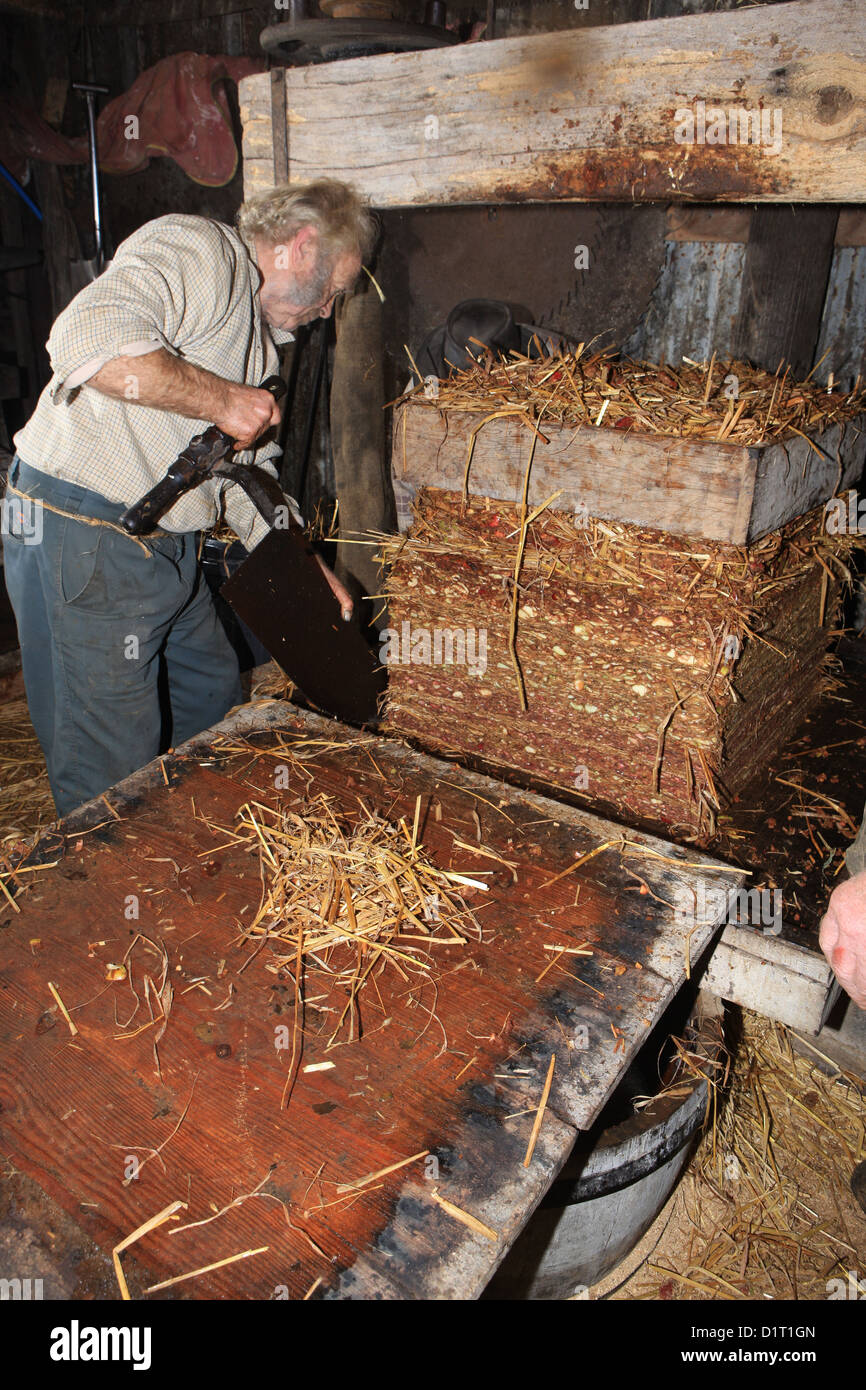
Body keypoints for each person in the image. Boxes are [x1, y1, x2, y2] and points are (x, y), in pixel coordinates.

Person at [2, 178, 376, 816]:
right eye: (335, 291)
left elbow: (248, 475)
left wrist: (309, 568)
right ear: (302, 247)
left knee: (208, 694)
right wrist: (224, 401)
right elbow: (83, 339)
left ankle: (177, 839)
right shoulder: (200, 250)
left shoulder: (260, 346)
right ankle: (111, 882)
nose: (327, 311)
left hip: (164, 543)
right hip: (83, 525)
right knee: (111, 754)